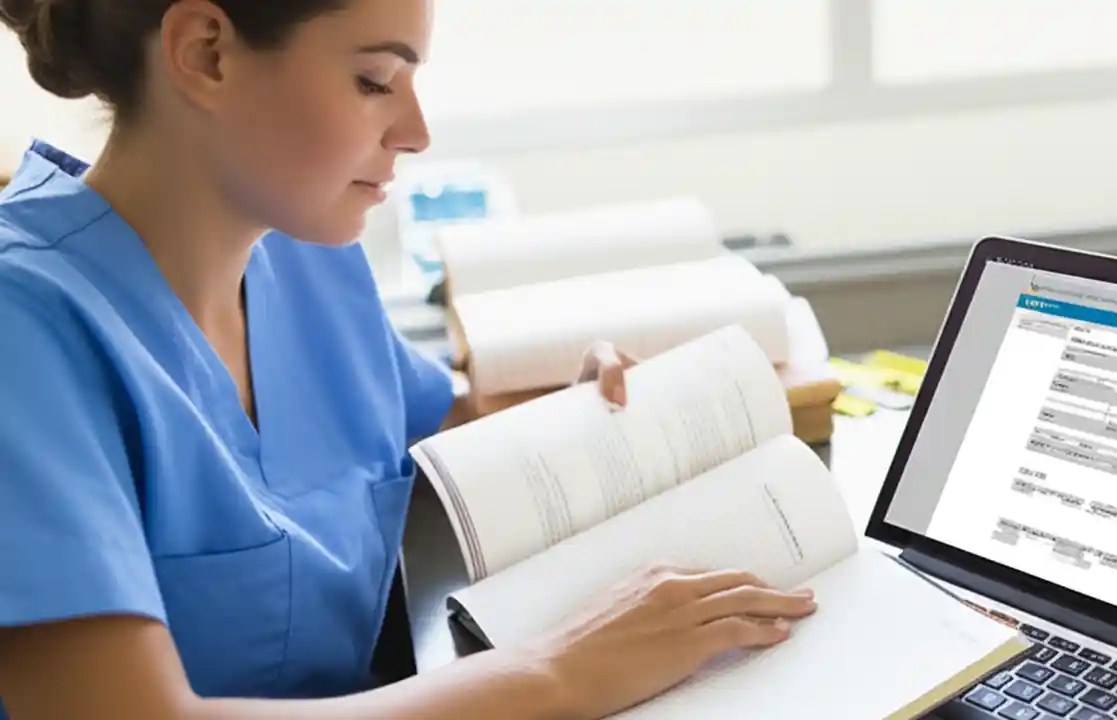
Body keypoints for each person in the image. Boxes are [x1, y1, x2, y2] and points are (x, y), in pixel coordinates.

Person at [0, 1, 819, 718]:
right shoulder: (26, 325)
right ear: (205, 51)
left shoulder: (307, 256)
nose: (417, 133)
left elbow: (418, 463)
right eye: (374, 82)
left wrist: (581, 425)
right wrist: (562, 672)